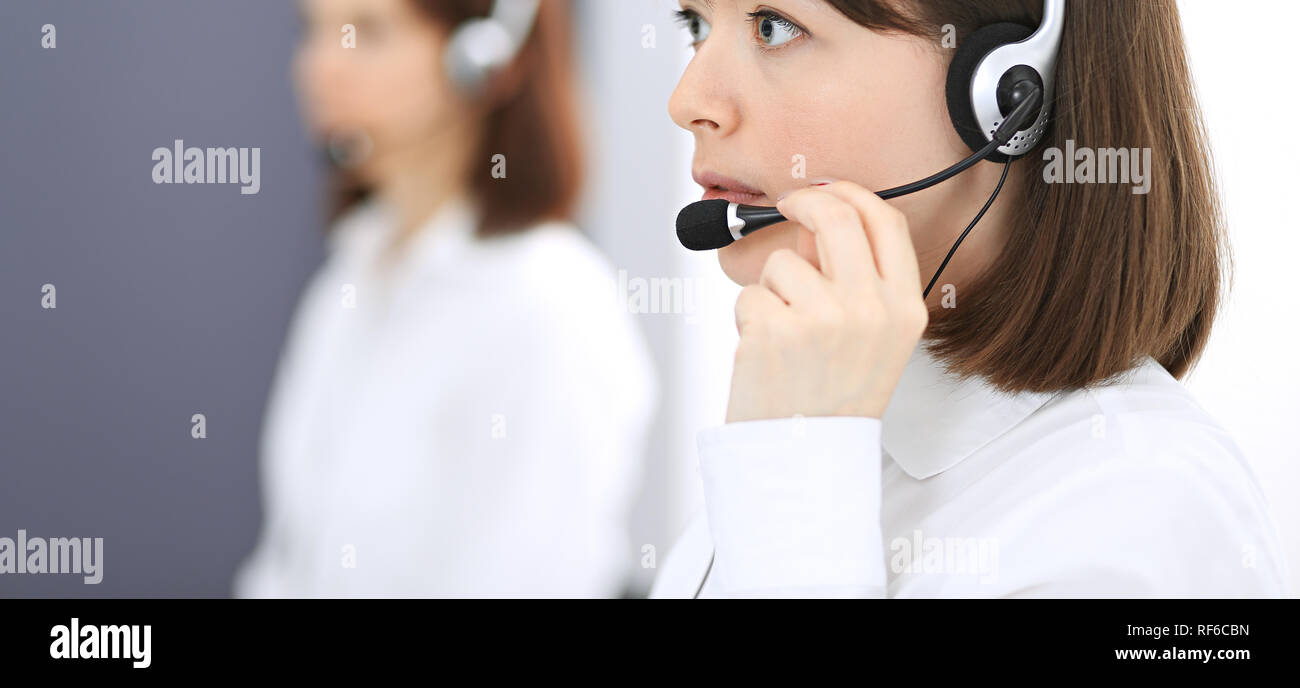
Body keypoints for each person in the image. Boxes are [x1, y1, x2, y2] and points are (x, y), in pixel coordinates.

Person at [650, 0, 1289, 597]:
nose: (688, 102)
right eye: (696, 25)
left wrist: (792, 477)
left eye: (773, 26)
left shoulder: (1144, 512)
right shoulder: (827, 432)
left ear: (1005, 93)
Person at [232, 0, 656, 597]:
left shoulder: (547, 303)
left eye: (368, 32)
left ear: (482, 56)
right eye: (313, 31)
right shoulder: (347, 284)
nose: (321, 67)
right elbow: (287, 564)